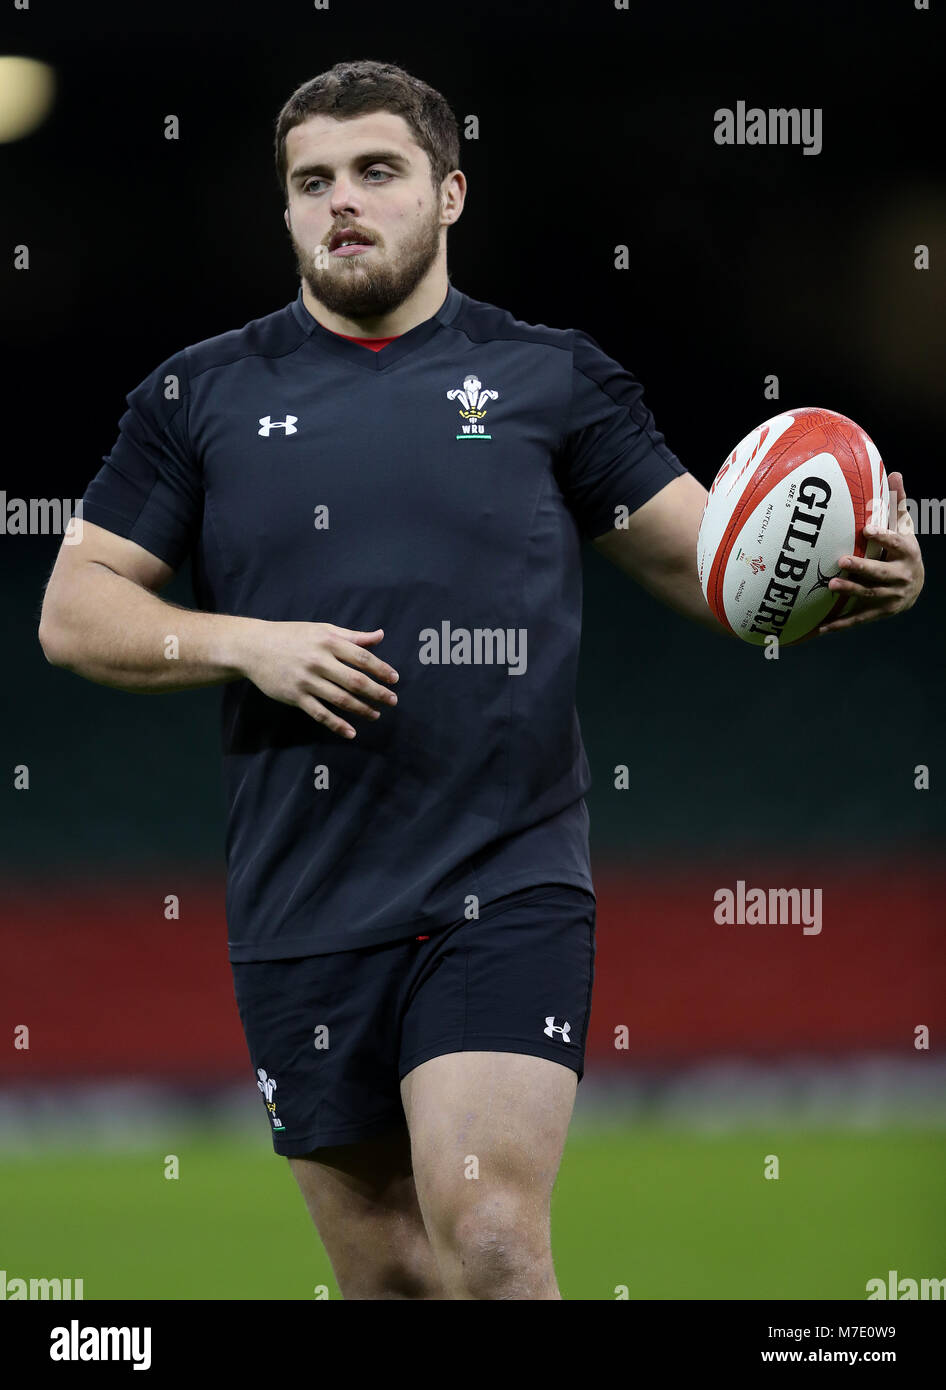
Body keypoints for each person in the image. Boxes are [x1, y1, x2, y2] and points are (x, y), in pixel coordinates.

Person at [37, 59, 924, 1300]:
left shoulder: (550, 378)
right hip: (303, 898)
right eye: (313, 181)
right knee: (392, 1276)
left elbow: (721, 575)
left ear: (449, 193)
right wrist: (244, 641)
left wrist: (861, 574)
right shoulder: (198, 395)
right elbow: (73, 613)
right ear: (285, 210)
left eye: (377, 171)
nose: (342, 200)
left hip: (503, 875)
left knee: (495, 1240)